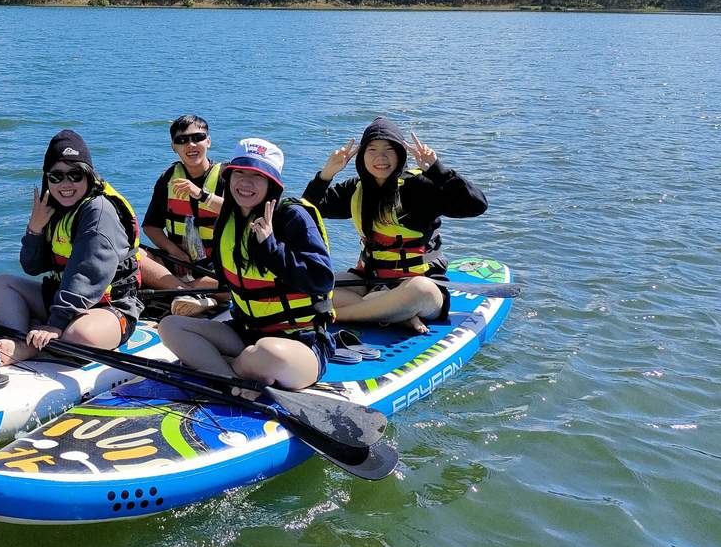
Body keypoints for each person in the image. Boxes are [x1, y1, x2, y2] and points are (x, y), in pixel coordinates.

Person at [158, 139, 335, 392]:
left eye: (257, 176)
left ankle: (217, 369)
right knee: (170, 326)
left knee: (266, 352)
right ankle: (232, 381)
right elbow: (230, 280)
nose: (245, 183)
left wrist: (271, 248)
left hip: (299, 343)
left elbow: (321, 280)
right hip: (246, 333)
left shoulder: (292, 217)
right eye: (239, 173)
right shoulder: (228, 219)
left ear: (272, 184)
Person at [303, 116, 488, 334]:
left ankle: (338, 315)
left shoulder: (419, 188)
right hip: (370, 282)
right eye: (372, 150)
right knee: (312, 289)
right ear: (362, 155)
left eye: (389, 149)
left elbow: (476, 205)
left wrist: (438, 170)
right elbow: (306, 211)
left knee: (420, 290)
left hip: (418, 288)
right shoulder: (356, 190)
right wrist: (327, 174)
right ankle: (395, 316)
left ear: (400, 153)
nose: (380, 157)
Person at [0, 130, 142, 365]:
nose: (65, 184)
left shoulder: (98, 211)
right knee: (2, 284)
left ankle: (30, 348)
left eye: (75, 174)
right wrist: (34, 230)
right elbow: (32, 267)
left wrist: (55, 324)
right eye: (56, 176)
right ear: (47, 178)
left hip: (110, 306)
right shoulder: (53, 208)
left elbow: (87, 273)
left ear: (88, 175)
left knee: (77, 336)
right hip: (63, 298)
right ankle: (19, 340)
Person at [138, 114, 224, 291]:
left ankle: (182, 292)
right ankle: (187, 292)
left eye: (197, 138)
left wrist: (201, 195)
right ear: (174, 147)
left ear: (208, 141)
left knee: (236, 278)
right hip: (178, 263)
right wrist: (174, 252)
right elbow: (151, 227)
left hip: (218, 268)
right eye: (182, 140)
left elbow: (241, 212)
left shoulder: (227, 176)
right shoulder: (168, 178)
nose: (191, 145)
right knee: (134, 255)